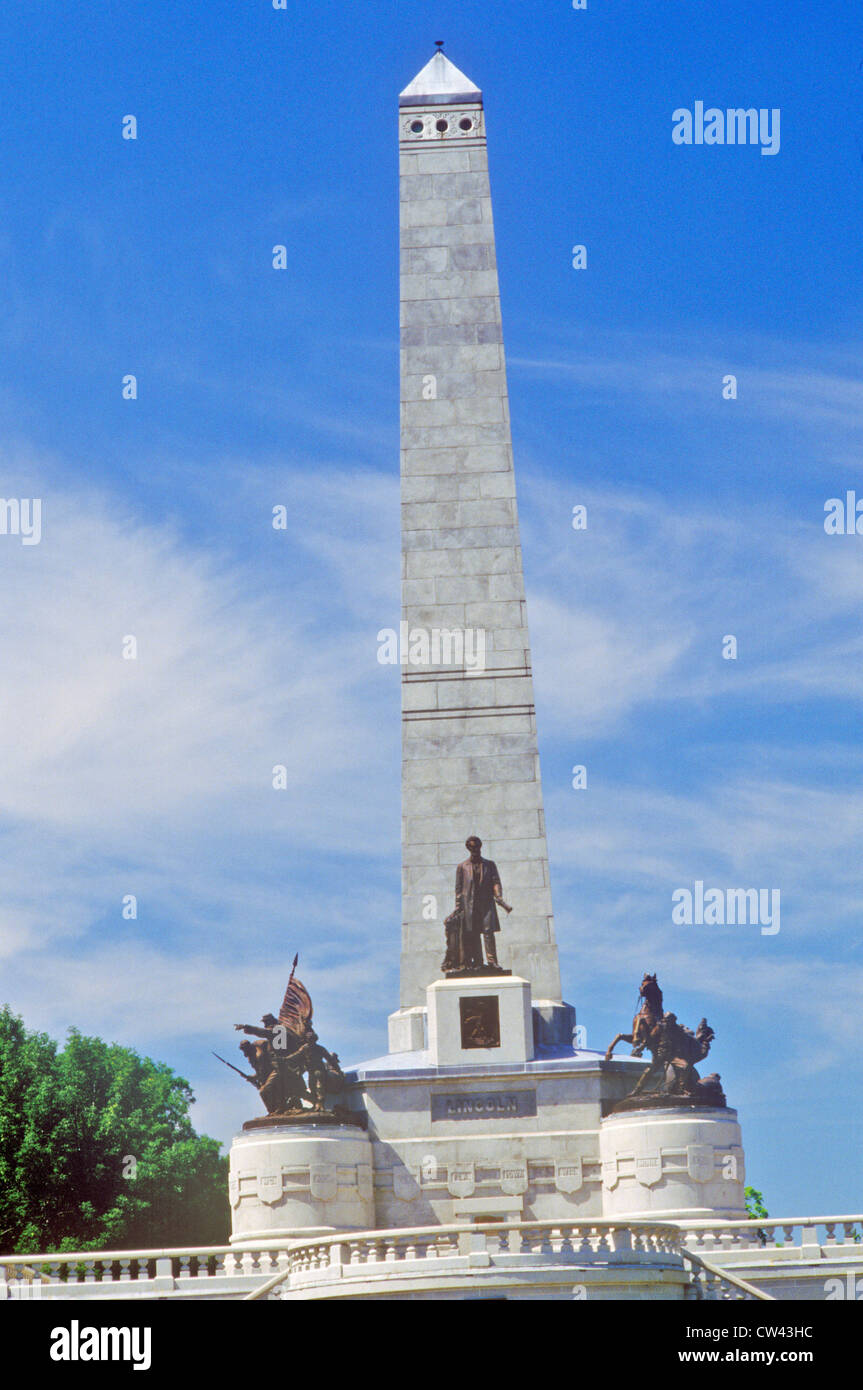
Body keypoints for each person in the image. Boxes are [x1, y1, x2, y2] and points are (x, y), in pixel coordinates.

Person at [453, 835, 504, 969]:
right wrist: (458, 907)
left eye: (476, 846)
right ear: (468, 848)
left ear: (480, 847)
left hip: (486, 903)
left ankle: (492, 962)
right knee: (473, 932)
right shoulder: (462, 867)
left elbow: (496, 882)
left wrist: (498, 896)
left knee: (488, 931)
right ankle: (478, 962)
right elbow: (458, 889)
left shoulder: (489, 864)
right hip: (469, 904)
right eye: (471, 847)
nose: (474, 849)